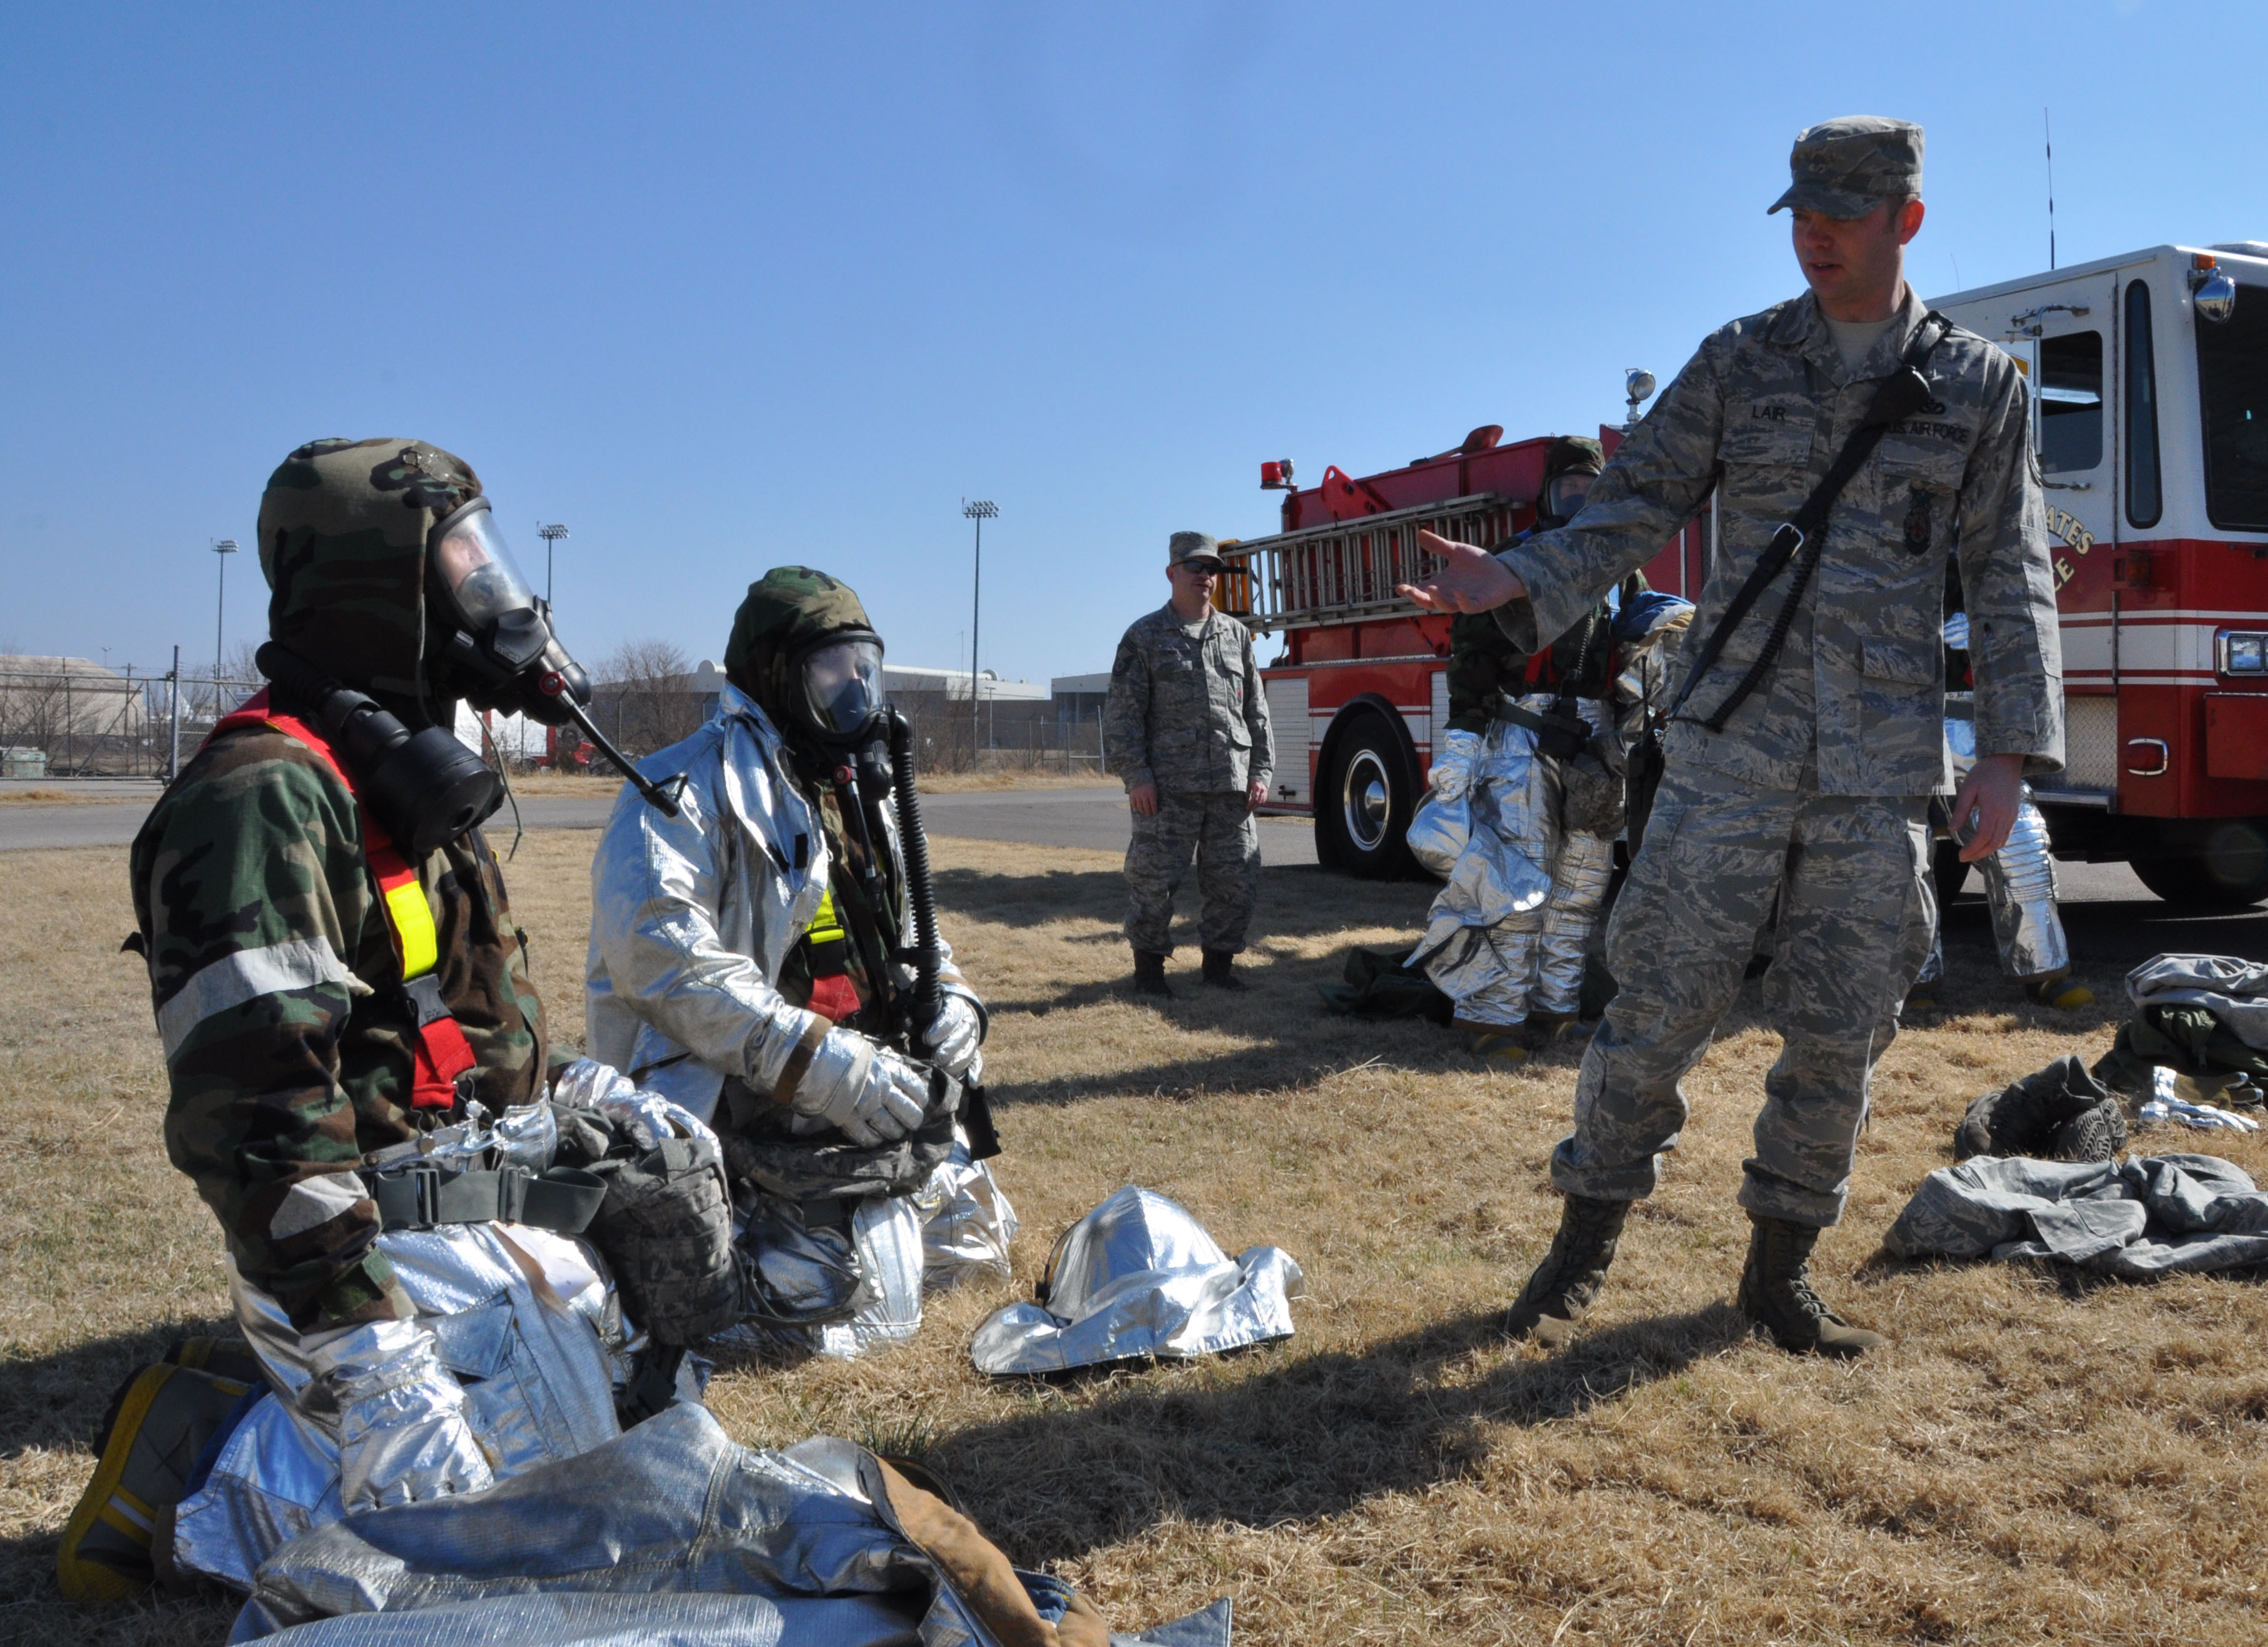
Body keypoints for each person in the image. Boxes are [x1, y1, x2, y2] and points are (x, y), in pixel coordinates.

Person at [1401, 116, 2063, 1357]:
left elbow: (2011, 572)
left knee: (1845, 1018)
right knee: (1657, 1002)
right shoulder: (1743, 361)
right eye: (1800, 211)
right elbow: (1631, 505)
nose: (1814, 233)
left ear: (1905, 221)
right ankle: (1581, 1242)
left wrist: (2006, 755)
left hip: (1877, 770)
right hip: (1731, 747)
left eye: (1843, 214)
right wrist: (1514, 579)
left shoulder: (1978, 387)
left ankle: (1779, 1273)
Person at [108, 439, 699, 1594]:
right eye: (458, 563)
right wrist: (368, 1354)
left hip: (473, 1225)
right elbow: (260, 1120)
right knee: (500, 1581)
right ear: (375, 590)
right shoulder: (262, 797)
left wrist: (599, 1103)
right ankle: (210, 1470)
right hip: (358, 1266)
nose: (491, 593)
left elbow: (476, 1032)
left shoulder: (409, 782)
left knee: (651, 1510)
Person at [585, 566, 1010, 1354]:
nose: (856, 688)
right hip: (738, 1109)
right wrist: (822, 1063)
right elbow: (669, 967)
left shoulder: (859, 793)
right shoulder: (679, 794)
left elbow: (915, 931)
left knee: (980, 1245)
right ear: (779, 675)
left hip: (858, 1101)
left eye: (865, 667)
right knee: (850, 1312)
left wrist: (953, 1002)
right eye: (833, 668)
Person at [1412, 437, 1692, 1057]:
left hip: (1598, 745)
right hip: (1521, 737)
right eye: (1567, 488)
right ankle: (1494, 1016)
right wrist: (1460, 749)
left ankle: (1556, 1008)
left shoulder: (1623, 574)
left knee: (1580, 889)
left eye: (1588, 490)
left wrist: (1637, 733)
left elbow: (1645, 656)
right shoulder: (1514, 563)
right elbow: (1473, 660)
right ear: (1545, 492)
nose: (1577, 501)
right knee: (1515, 883)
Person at [1103, 531, 1275, 996]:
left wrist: (1260, 773)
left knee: (1235, 882)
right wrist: (1137, 777)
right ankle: (1149, 974)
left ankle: (1219, 969)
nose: (1205, 576)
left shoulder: (1236, 635)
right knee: (1154, 884)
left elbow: (1256, 711)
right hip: (1167, 789)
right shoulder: (1144, 637)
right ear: (1172, 573)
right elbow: (1122, 718)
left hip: (1230, 787)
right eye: (1196, 567)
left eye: (1212, 569)